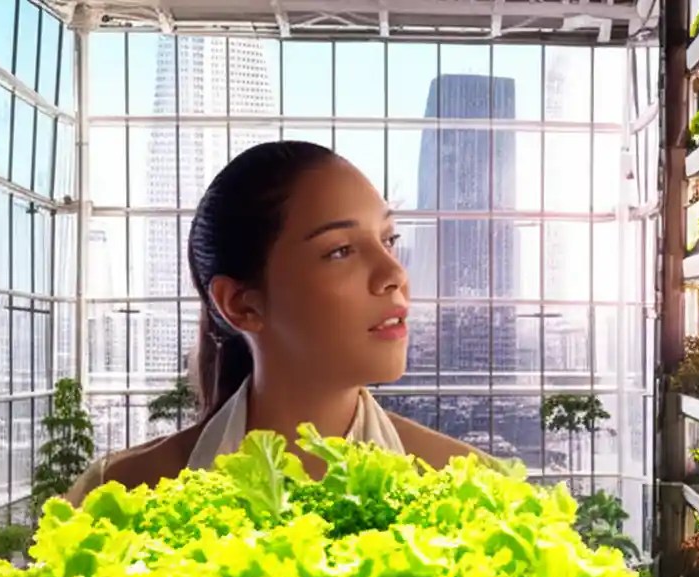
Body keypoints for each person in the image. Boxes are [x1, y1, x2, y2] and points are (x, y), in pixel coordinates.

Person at [64, 141, 479, 506]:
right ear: (242, 305)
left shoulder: (471, 489)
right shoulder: (119, 497)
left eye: (389, 240)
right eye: (340, 251)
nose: (394, 273)